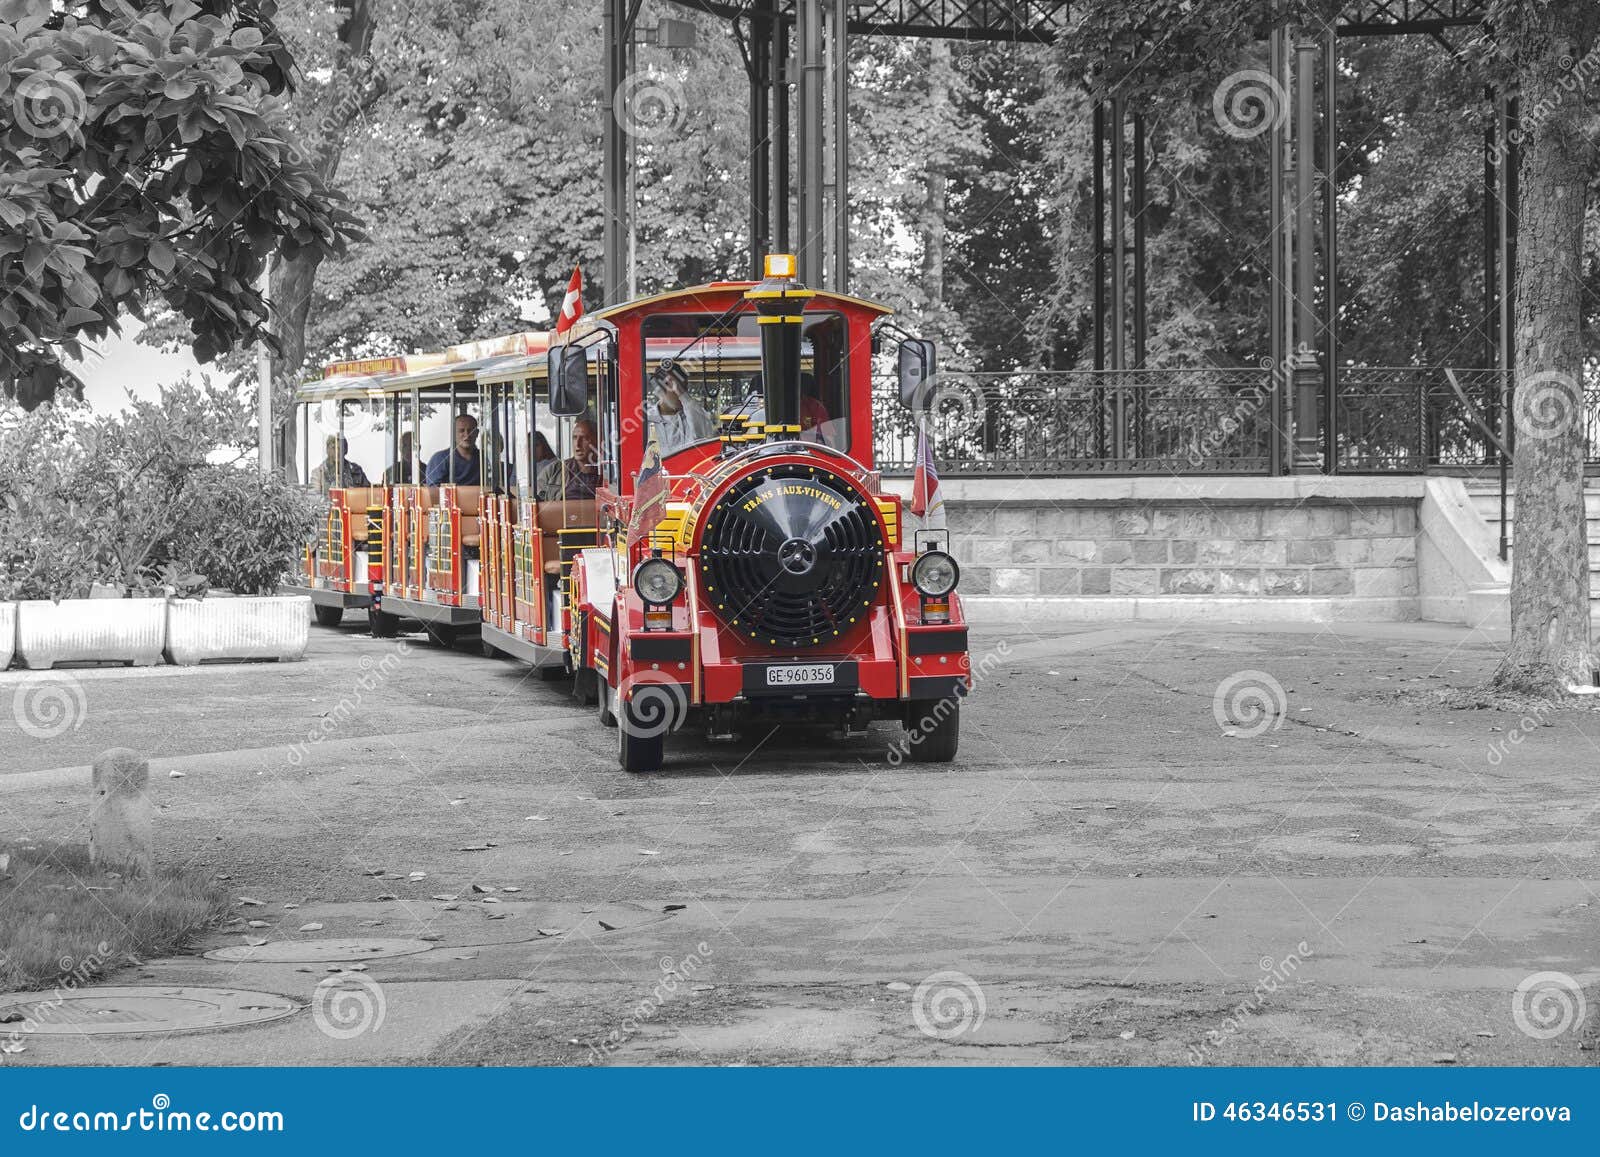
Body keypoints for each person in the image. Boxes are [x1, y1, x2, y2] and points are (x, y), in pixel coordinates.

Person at [645, 362, 713, 455]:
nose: (679, 393)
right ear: (659, 390)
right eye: (673, 386)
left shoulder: (693, 416)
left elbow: (704, 434)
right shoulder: (647, 420)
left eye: (683, 388)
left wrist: (683, 394)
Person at [537, 418, 601, 500]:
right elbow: (535, 501)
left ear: (597, 441)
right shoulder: (554, 470)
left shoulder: (608, 473)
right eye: (575, 438)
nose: (577, 444)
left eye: (584, 438)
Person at [424, 414, 481, 485]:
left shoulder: (483, 458)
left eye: (470, 431)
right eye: (461, 431)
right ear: (453, 434)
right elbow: (433, 489)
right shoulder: (440, 459)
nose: (467, 435)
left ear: (477, 433)